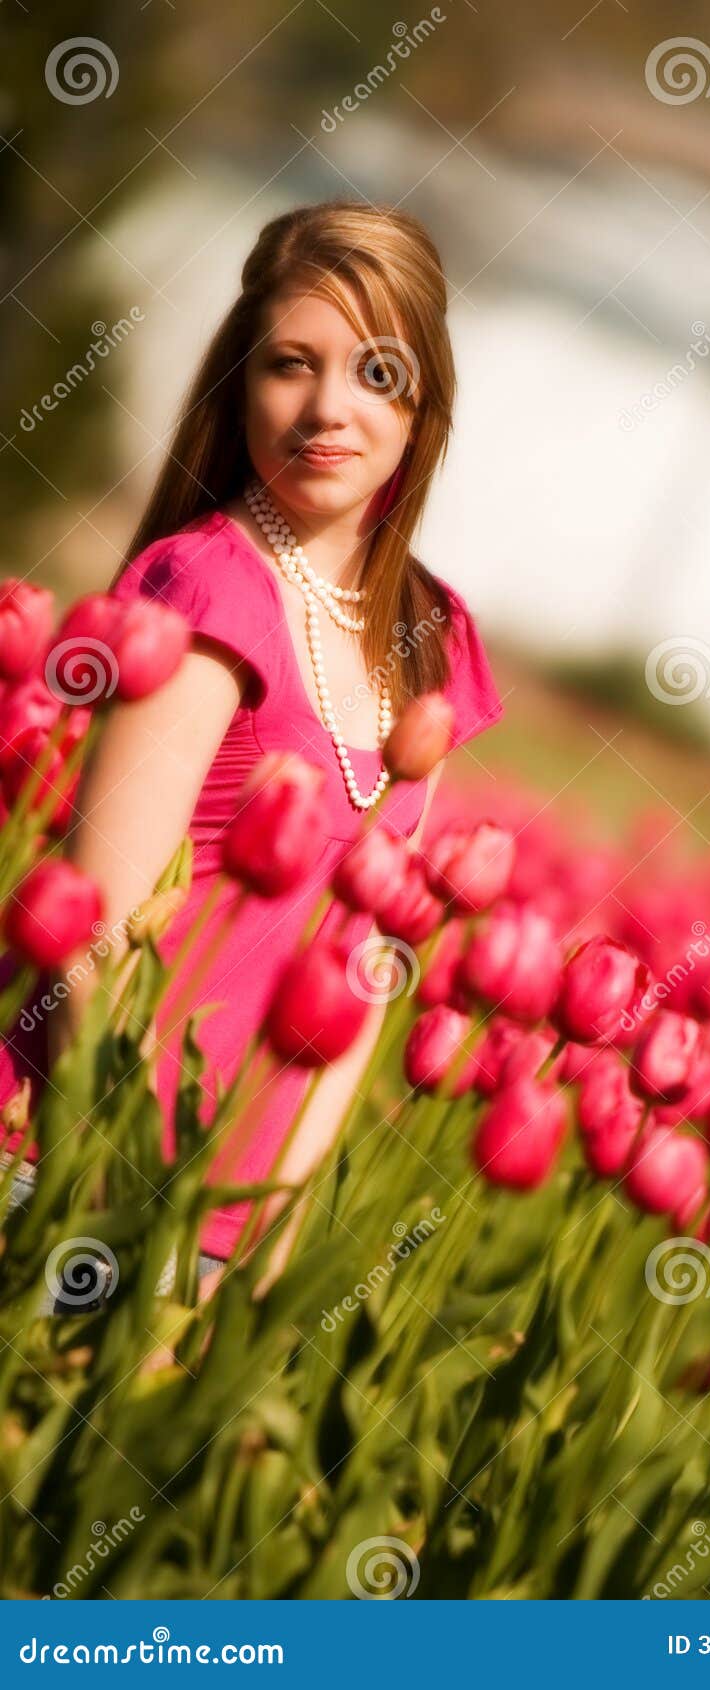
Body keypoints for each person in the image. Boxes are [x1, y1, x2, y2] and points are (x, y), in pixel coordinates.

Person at [0, 201, 505, 1310]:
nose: (329, 408)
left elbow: (371, 970)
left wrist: (272, 1234)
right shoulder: (209, 590)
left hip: (222, 1223)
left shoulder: (429, 639)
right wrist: (123, 1196)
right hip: (73, 1168)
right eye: (290, 365)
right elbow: (91, 936)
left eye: (375, 371)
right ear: (242, 385)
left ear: (423, 406)